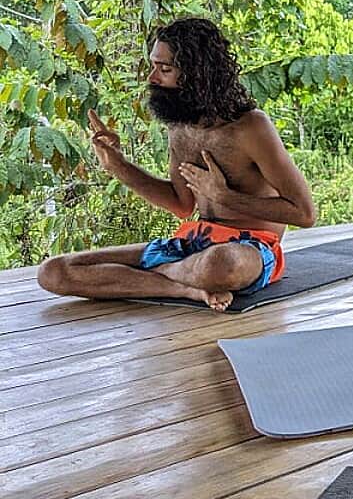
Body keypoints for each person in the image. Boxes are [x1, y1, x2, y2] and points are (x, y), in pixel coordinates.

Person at [37, 17, 316, 311]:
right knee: (54, 271)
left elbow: (304, 214)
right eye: (154, 66)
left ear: (198, 74)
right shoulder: (179, 128)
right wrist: (117, 166)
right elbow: (182, 205)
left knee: (220, 264)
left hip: (248, 250)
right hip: (190, 247)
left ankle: (166, 277)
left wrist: (226, 197)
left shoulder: (251, 128)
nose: (152, 78)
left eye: (164, 69)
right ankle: (185, 288)